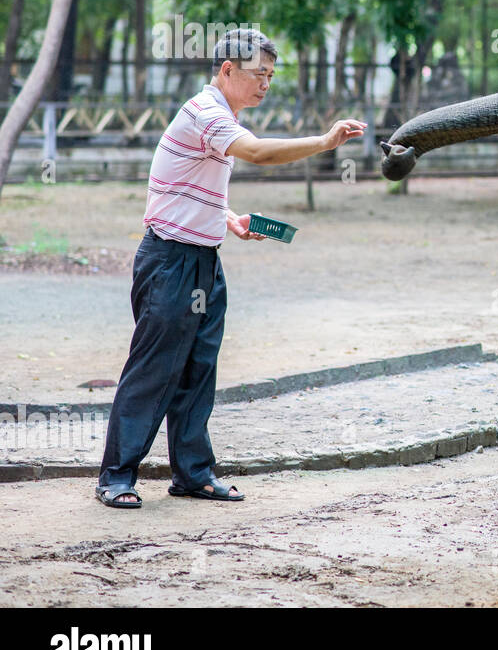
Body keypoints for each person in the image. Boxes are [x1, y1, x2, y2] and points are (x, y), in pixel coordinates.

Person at [96, 29, 366, 508]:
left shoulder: (221, 116)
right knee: (154, 369)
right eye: (259, 74)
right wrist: (326, 142)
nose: (266, 84)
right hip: (170, 261)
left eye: (271, 76)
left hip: (203, 262)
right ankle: (116, 477)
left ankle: (194, 474)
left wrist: (229, 220)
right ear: (227, 70)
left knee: (199, 370)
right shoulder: (206, 113)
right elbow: (260, 153)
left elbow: (181, 183)